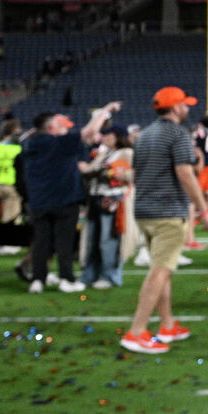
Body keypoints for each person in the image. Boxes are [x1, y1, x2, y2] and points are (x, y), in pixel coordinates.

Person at [120, 86, 208, 355]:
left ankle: (167, 324)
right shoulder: (178, 133)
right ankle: (136, 332)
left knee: (162, 269)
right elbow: (185, 173)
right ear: (175, 108)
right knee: (160, 271)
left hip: (144, 210)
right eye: (185, 105)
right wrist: (204, 209)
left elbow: (136, 174)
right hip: (167, 211)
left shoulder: (144, 135)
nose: (187, 109)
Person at [22, 105, 115, 293]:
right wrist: (105, 111)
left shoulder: (29, 143)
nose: (61, 127)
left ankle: (38, 280)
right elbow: (89, 132)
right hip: (63, 200)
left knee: (41, 242)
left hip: (38, 201)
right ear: (50, 128)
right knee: (64, 242)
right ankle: (67, 279)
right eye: (57, 124)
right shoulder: (58, 143)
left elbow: (31, 133)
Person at [74, 122, 128, 290]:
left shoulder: (126, 152)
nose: (104, 138)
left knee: (108, 241)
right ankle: (89, 275)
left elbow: (128, 174)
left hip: (112, 199)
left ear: (118, 137)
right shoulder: (103, 153)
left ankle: (110, 276)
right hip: (96, 198)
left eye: (108, 135)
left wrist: (108, 170)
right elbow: (89, 170)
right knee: (92, 240)